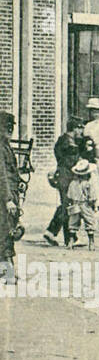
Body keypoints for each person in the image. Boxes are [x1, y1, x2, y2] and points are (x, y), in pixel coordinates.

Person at [44, 117, 94, 247]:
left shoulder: (66, 140)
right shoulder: (68, 143)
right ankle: (63, 236)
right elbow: (73, 161)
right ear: (75, 128)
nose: (82, 131)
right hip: (66, 177)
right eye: (80, 128)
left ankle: (56, 234)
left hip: (64, 175)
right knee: (68, 207)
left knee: (67, 206)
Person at [0, 112, 18, 275]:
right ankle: (7, 270)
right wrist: (8, 199)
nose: (10, 131)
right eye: (7, 127)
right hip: (4, 197)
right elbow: (2, 175)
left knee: (7, 229)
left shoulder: (5, 145)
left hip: (11, 193)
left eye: (11, 127)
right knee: (5, 231)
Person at [64, 158, 95, 249]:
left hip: (75, 205)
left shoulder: (72, 183)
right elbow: (92, 196)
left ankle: (70, 242)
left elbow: (69, 195)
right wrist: (93, 203)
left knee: (73, 223)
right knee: (89, 222)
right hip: (85, 205)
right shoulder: (88, 184)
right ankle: (91, 243)